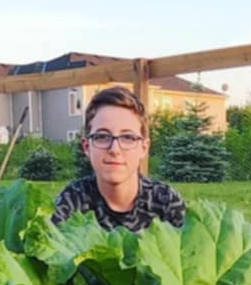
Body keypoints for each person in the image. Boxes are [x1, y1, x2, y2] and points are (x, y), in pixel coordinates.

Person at [52, 86, 186, 232]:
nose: (115, 149)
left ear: (144, 147)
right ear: (86, 146)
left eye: (128, 137)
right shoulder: (73, 202)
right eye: (102, 137)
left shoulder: (165, 202)